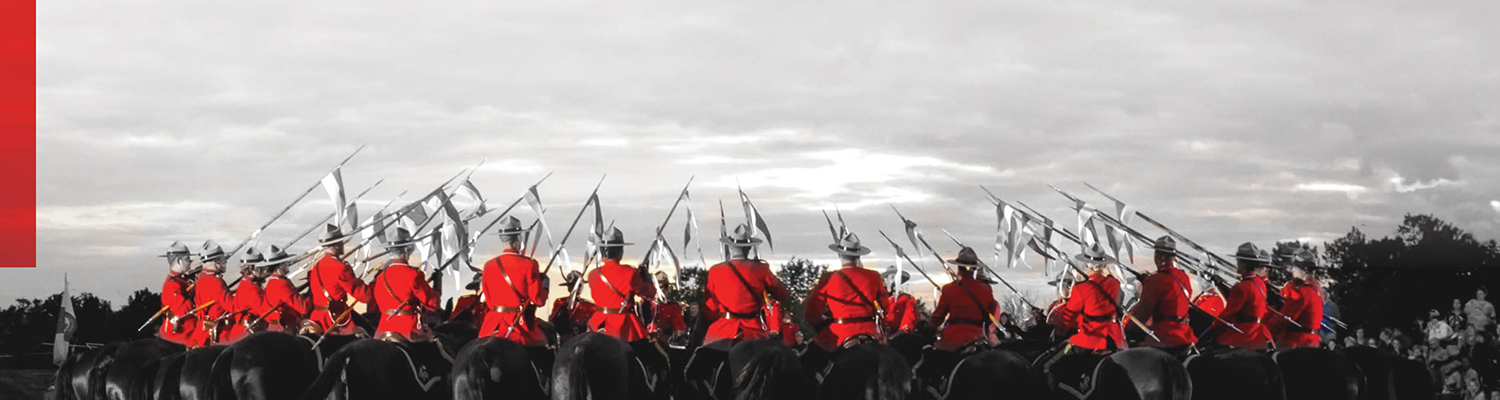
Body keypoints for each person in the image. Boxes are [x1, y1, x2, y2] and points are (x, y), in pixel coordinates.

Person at [685, 224, 790, 398]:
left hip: (722, 332)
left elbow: (710, 309)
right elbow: (783, 294)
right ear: (749, 248)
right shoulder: (761, 269)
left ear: (730, 246)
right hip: (755, 333)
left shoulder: (715, 271)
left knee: (692, 373)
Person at [915, 247, 1000, 392]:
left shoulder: (949, 289)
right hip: (979, 337)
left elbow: (938, 317)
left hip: (954, 340)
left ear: (959, 268)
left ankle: (937, 390)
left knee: (928, 368)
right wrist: (988, 330)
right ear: (974, 269)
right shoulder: (986, 289)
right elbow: (993, 311)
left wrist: (928, 331)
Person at [805, 232, 891, 348]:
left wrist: (818, 321)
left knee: (808, 356)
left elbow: (812, 312)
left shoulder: (828, 278)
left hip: (839, 333)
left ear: (840, 255)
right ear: (859, 256)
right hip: (870, 332)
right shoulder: (873, 276)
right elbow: (885, 305)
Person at [1127, 236, 1196, 356]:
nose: (1162, 258)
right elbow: (1172, 295)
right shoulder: (1183, 277)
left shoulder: (1154, 281)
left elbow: (1143, 312)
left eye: (1163, 255)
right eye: (1161, 254)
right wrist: (1148, 282)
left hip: (1163, 337)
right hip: (1184, 335)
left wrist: (1129, 329)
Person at [585, 227, 657, 342]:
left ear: (602, 252)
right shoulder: (630, 273)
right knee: (652, 355)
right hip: (622, 326)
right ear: (620, 252)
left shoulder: (592, 274)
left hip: (597, 324)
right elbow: (649, 294)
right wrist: (646, 278)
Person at [1052, 243, 1127, 354]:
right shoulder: (1115, 283)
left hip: (1091, 339)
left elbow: (1068, 316)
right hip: (1115, 340)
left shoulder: (1081, 288)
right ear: (1103, 265)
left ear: (1086, 266)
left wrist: (1059, 331)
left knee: (1049, 365)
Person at [371, 228, 440, 342]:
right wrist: (437, 284)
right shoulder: (413, 275)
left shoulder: (381, 276)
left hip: (383, 329)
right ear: (407, 250)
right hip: (409, 330)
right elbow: (432, 304)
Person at [303, 224, 372, 336]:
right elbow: (364, 296)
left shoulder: (316, 266)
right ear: (336, 245)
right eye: (341, 242)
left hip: (317, 317)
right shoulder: (341, 267)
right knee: (368, 336)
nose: (343, 244)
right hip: (335, 320)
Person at [1209, 243, 1274, 350]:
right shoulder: (1260, 282)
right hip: (1259, 332)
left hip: (1244, 334)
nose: (1236, 264)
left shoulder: (1241, 287)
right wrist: (1221, 284)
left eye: (1238, 261)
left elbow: (1228, 314)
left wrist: (1213, 327)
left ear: (1243, 264)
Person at [1268, 249, 1324, 349]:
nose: (1293, 270)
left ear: (1305, 270)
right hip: (1312, 341)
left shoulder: (1303, 292)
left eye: (1295, 267)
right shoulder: (1316, 288)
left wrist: (1266, 330)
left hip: (1296, 344)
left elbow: (1284, 318)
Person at [258, 245, 309, 333]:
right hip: (285, 329)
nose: (288, 265)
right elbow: (303, 308)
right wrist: (311, 295)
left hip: (278, 327)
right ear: (280, 266)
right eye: (286, 263)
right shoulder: (281, 283)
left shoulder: (273, 281)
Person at [157, 241, 200, 345]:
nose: (190, 261)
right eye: (187, 258)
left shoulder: (183, 280)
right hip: (181, 336)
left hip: (191, 331)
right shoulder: (172, 284)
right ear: (179, 261)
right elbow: (182, 311)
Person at [193, 241, 234, 346]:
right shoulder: (215, 282)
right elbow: (232, 306)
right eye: (222, 260)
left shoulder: (203, 276)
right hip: (216, 334)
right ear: (216, 261)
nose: (225, 262)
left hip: (202, 331)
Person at [222, 249, 269, 342]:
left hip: (244, 331)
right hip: (246, 334)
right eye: (261, 268)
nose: (265, 270)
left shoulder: (246, 282)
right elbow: (264, 311)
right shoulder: (251, 287)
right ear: (252, 269)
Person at [549, 271, 595, 344]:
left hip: (584, 339)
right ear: (568, 287)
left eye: (579, 285)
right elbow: (552, 322)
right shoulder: (560, 303)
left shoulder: (589, 305)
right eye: (572, 285)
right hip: (566, 339)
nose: (576, 288)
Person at [882, 266, 920, 337]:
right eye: (892, 277)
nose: (896, 281)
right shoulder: (879, 299)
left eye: (898, 278)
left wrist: (891, 339)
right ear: (885, 280)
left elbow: (907, 325)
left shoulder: (907, 299)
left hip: (898, 339)